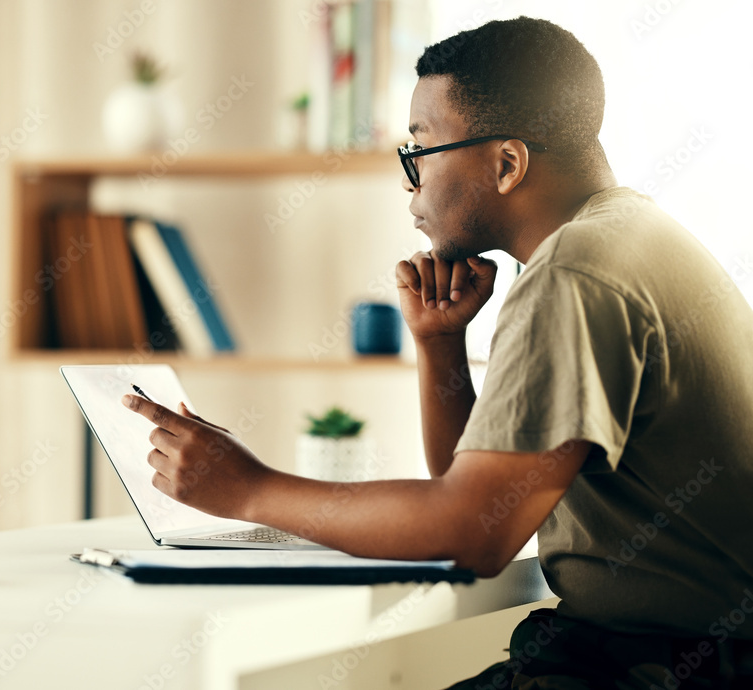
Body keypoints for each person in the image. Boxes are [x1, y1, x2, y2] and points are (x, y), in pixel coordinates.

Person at [123, 16, 753, 689]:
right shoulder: (625, 236)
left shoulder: (576, 271)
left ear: (507, 164)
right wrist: (440, 344)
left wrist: (250, 490)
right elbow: (476, 487)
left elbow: (474, 533)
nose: (409, 184)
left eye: (419, 151)